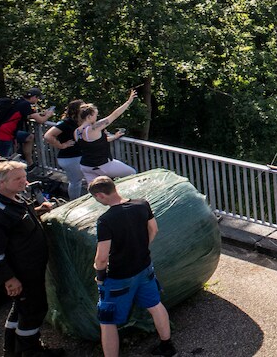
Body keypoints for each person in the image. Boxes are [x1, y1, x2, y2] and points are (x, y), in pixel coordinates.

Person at [0, 160, 63, 357]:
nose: (24, 182)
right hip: (21, 273)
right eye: (18, 179)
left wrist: (37, 211)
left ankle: (12, 348)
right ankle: (31, 350)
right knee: (33, 310)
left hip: (28, 270)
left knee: (20, 309)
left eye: (24, 177)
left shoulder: (11, 198)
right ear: (1, 182)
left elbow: (18, 222)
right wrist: (8, 279)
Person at [89, 176, 177, 357]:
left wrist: (100, 275)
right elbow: (154, 229)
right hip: (144, 267)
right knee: (155, 305)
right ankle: (167, 346)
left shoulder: (105, 220)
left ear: (100, 195)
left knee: (107, 320)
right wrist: (142, 247)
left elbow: (102, 258)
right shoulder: (142, 204)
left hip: (119, 276)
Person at [76, 90, 137, 185]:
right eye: (95, 115)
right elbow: (114, 115)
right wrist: (128, 101)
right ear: (89, 117)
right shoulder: (94, 128)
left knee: (95, 191)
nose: (96, 118)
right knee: (132, 173)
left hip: (86, 166)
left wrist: (114, 137)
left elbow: (92, 144)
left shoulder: (76, 132)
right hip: (102, 165)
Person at [0, 87, 54, 162]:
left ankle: (29, 163)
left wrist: (41, 113)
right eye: (38, 98)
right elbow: (40, 120)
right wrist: (48, 115)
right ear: (34, 97)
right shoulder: (26, 105)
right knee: (3, 160)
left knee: (29, 137)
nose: (38, 100)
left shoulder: (19, 102)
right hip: (4, 134)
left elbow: (28, 115)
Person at [43, 100, 85, 199]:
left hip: (76, 156)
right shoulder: (66, 123)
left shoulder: (80, 122)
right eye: (83, 108)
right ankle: (74, 203)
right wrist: (61, 145)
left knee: (79, 180)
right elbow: (48, 136)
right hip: (70, 157)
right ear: (76, 110)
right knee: (75, 182)